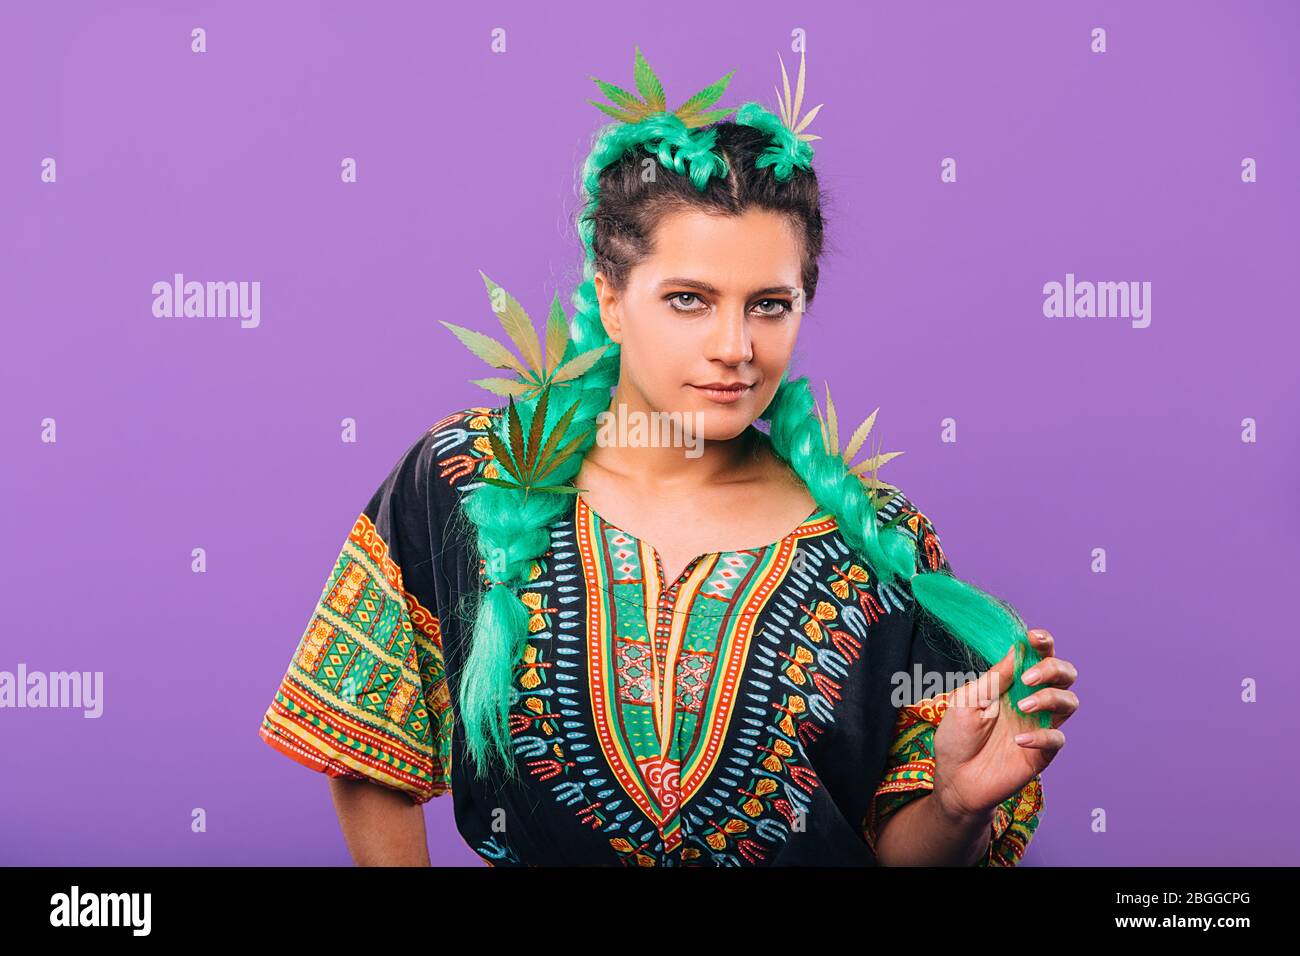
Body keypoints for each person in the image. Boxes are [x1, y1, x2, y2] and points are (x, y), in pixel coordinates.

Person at [258, 45, 1078, 867]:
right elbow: (364, 747)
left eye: (770, 305)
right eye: (689, 300)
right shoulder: (472, 479)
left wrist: (955, 807)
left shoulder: (882, 550)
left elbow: (906, 856)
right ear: (610, 300)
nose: (735, 346)